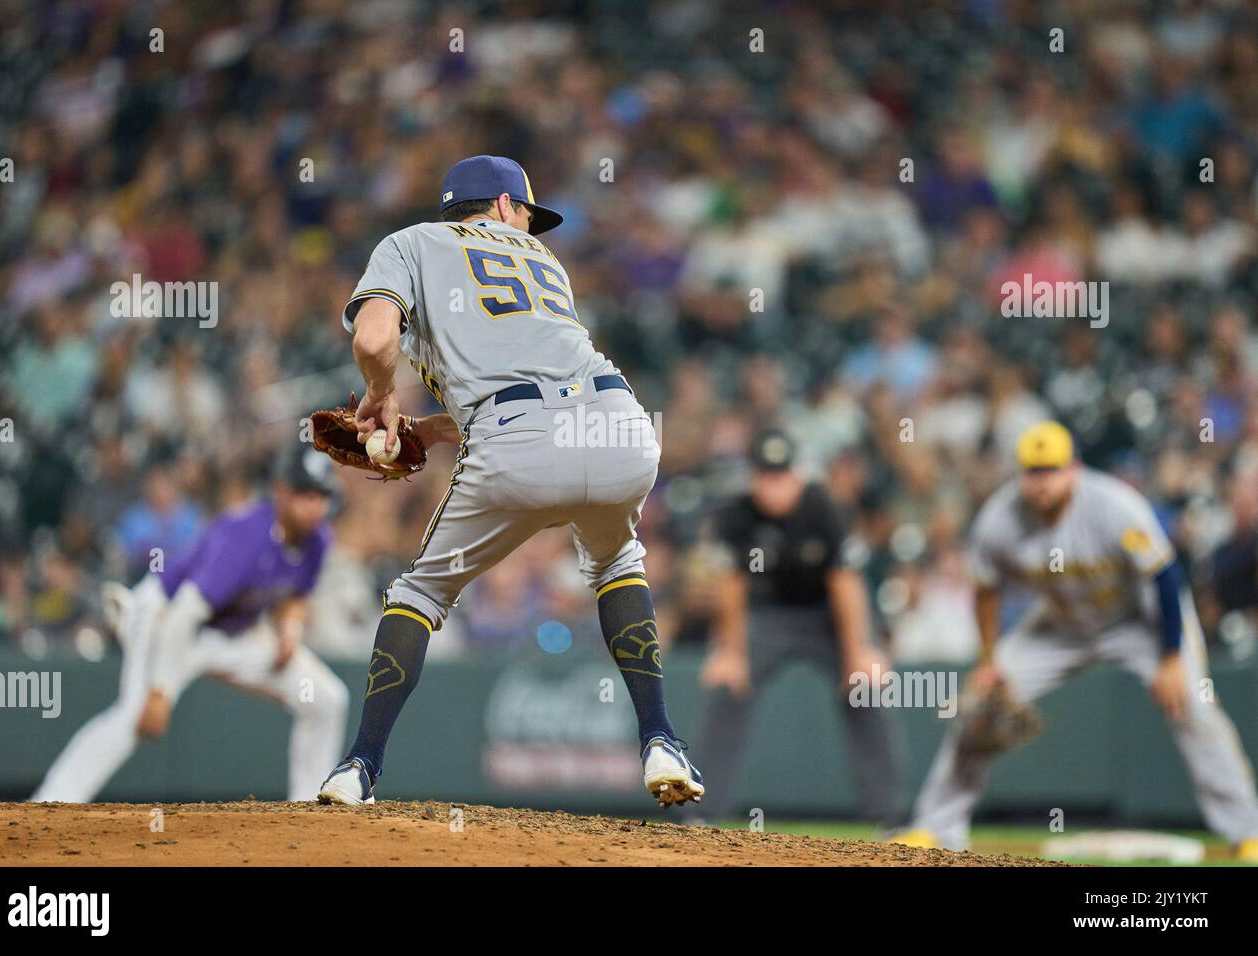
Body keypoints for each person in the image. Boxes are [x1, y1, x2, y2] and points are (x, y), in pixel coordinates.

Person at [317, 155, 703, 808]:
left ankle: (358, 767)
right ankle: (661, 739)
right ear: (501, 205)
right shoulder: (544, 265)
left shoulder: (410, 243)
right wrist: (428, 429)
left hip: (517, 440)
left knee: (421, 591)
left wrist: (382, 396)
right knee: (615, 561)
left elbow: (373, 339)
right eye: (527, 210)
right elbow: (531, 388)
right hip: (620, 427)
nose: (531, 224)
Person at [890, 422, 1258, 861]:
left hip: (1139, 620)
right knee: (981, 707)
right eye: (1033, 471)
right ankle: (936, 828)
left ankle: (1247, 832)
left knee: (1194, 707)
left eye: (1051, 470)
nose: (1042, 480)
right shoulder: (999, 519)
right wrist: (989, 660)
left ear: (1075, 470)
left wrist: (1172, 657)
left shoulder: (1114, 506)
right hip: (1059, 625)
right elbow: (987, 590)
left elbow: (1165, 577)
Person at [32, 447, 349, 803]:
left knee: (327, 699)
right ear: (281, 491)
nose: (316, 506)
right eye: (306, 494)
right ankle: (50, 801)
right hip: (167, 619)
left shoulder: (318, 539)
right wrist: (160, 693)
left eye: (322, 496)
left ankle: (308, 808)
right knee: (134, 719)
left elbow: (296, 595)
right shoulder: (243, 535)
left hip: (236, 632)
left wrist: (290, 631)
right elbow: (184, 612)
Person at [684, 430, 906, 826]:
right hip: (768, 614)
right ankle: (699, 814)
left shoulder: (823, 507)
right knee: (727, 686)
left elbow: (846, 583)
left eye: (782, 475)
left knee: (866, 688)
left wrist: (859, 652)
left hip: (826, 616)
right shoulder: (736, 514)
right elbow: (731, 586)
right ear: (753, 478)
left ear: (797, 475)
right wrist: (731, 653)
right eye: (766, 476)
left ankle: (890, 818)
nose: (774, 486)